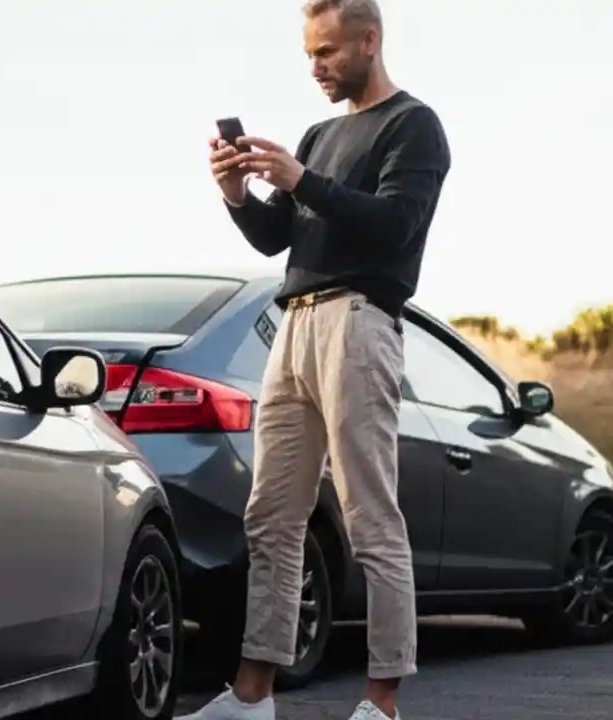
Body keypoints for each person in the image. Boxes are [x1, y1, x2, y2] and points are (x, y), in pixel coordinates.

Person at [176, 1, 450, 719]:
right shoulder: (321, 135)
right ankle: (250, 697)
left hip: (359, 324)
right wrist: (238, 194)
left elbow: (393, 226)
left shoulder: (414, 126)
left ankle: (382, 704)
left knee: (369, 517)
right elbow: (277, 238)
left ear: (369, 41)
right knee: (271, 517)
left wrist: (301, 179)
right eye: (308, 54)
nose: (316, 67)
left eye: (327, 52)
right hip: (292, 327)